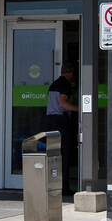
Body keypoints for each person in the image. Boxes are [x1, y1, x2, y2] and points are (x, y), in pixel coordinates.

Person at [44, 61, 78, 194]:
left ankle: (54, 185)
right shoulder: (65, 84)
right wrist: (80, 109)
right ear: (70, 73)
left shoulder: (54, 84)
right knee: (64, 154)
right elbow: (63, 104)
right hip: (60, 121)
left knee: (54, 154)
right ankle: (63, 187)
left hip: (50, 121)